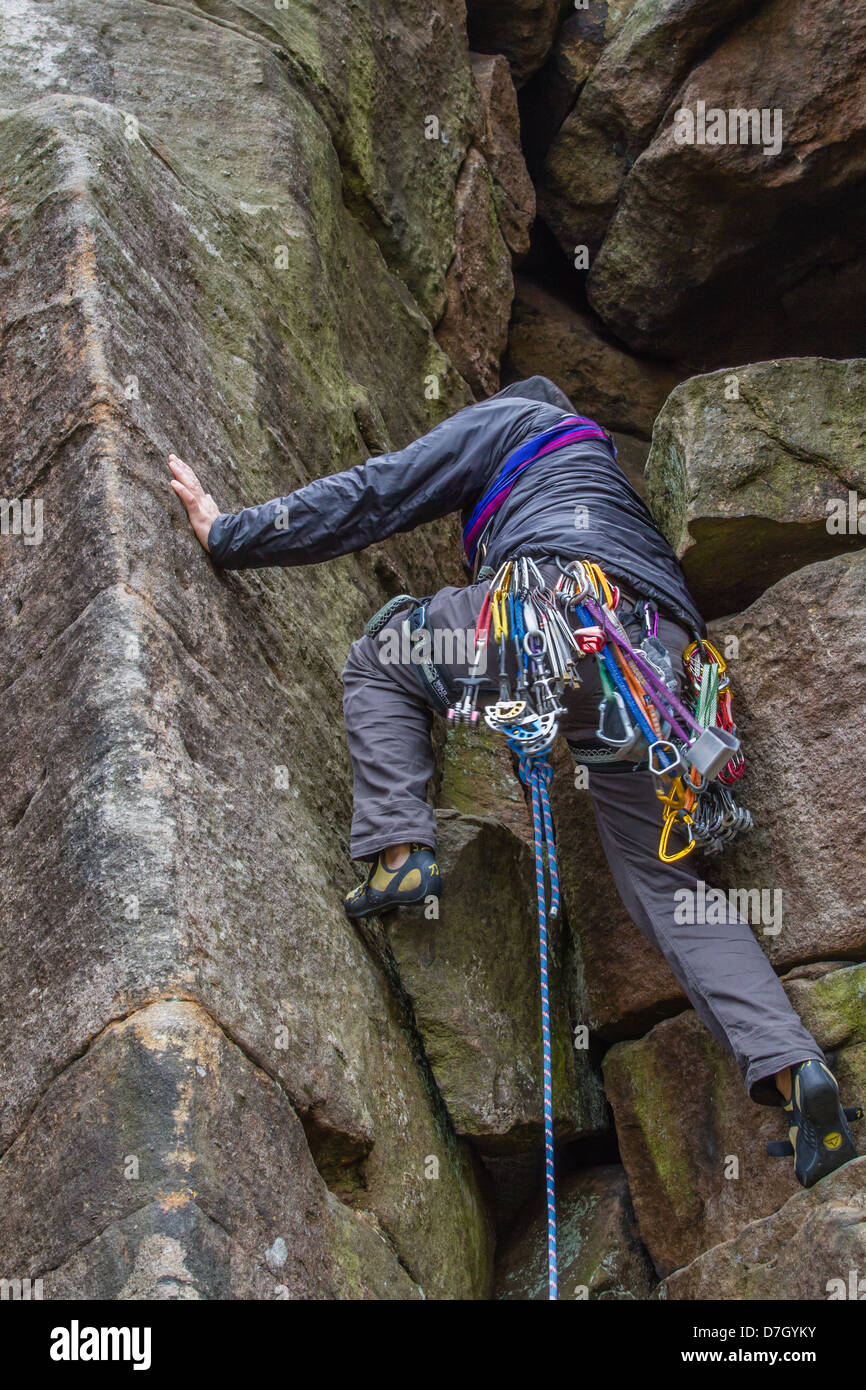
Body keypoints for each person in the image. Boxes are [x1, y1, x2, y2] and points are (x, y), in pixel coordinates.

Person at [168, 374, 858, 1189]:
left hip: (553, 612)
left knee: (386, 658)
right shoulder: (610, 485)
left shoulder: (513, 420)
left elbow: (377, 490)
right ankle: (794, 1072)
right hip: (666, 670)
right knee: (665, 884)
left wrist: (231, 532)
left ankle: (398, 851)